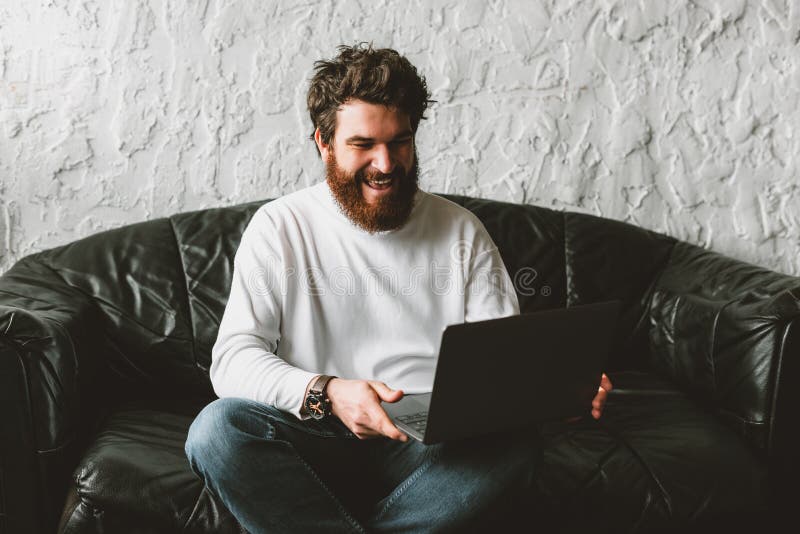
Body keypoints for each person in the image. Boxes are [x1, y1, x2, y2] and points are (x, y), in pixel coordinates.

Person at [184, 43, 612, 533]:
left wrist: (558, 395)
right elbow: (233, 359)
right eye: (363, 145)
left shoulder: (461, 231)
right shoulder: (280, 227)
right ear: (324, 143)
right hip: (314, 433)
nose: (386, 164)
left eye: (400, 142)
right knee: (217, 432)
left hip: (430, 449)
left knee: (516, 447)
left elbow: (504, 367)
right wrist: (329, 392)